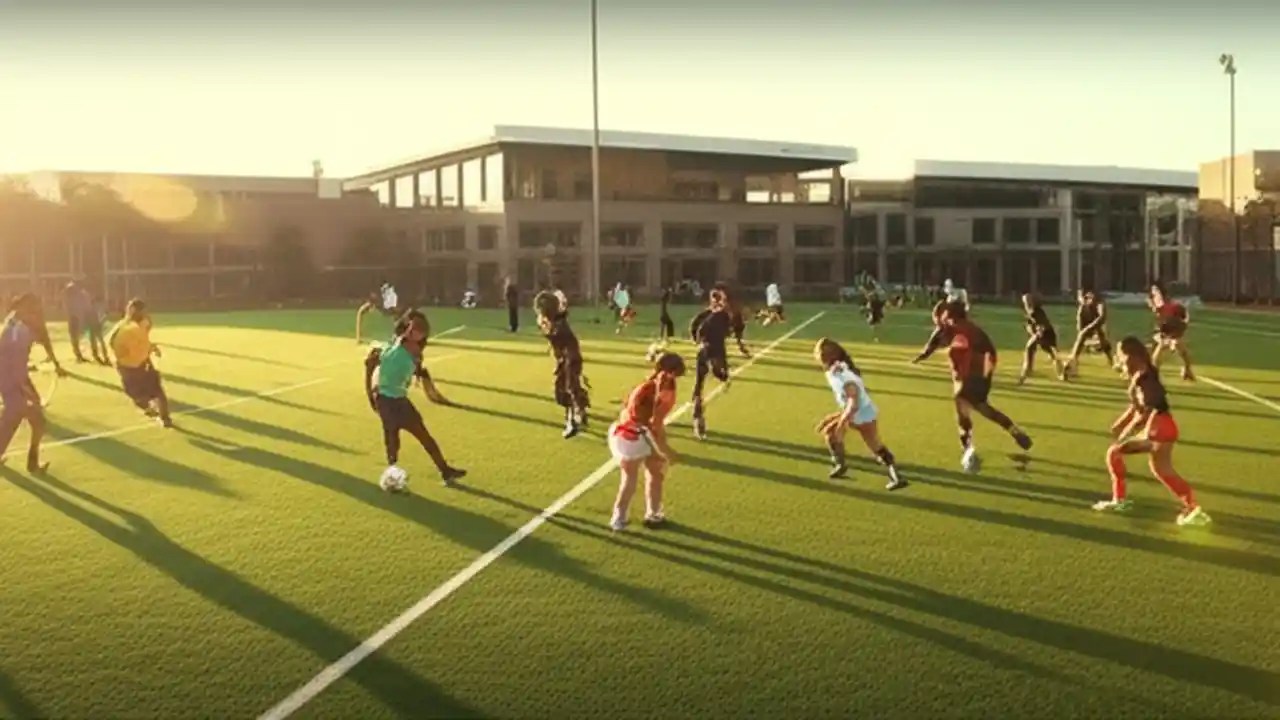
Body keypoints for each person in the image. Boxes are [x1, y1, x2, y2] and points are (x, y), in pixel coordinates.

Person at [1092, 336, 1210, 526]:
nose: (1119, 359)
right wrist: (1120, 424)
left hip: (1157, 427)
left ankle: (1119, 500)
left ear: (1131, 356)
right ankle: (1193, 508)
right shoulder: (1145, 374)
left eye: (1121, 355)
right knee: (1162, 470)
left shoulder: (1143, 377)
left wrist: (1127, 431)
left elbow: (1147, 410)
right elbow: (1137, 407)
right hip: (1166, 425)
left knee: (1114, 453)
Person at [364, 319, 466, 487]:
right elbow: (378, 359)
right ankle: (392, 471)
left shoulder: (411, 353)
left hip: (399, 401)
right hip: (385, 400)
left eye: (415, 332)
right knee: (392, 438)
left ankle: (445, 470)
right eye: (410, 330)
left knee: (422, 435)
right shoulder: (394, 347)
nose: (410, 333)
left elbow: (405, 360)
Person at [941, 301, 1033, 471]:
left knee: (961, 402)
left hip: (975, 371)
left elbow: (959, 351)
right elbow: (987, 351)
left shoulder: (961, 330)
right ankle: (1013, 430)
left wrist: (961, 372)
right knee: (980, 406)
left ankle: (968, 449)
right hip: (985, 369)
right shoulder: (971, 328)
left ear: (952, 314)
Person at [813, 338, 908, 489]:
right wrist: (835, 418)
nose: (818, 356)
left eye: (820, 353)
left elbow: (853, 402)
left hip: (863, 416)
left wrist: (842, 422)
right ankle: (840, 465)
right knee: (829, 433)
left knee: (875, 446)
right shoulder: (835, 369)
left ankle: (897, 477)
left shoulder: (841, 375)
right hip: (855, 412)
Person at [608, 351, 685, 531]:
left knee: (655, 473)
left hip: (629, 431)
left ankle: (653, 513)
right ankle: (619, 517)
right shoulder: (656, 390)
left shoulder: (653, 384)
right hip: (633, 435)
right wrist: (668, 451)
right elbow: (654, 425)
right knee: (631, 478)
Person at [0, 294, 53, 473]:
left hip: (8, 379)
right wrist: (27, 391)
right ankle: (33, 463)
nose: (37, 314)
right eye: (35, 310)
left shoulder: (13, 322)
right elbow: (15, 364)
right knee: (37, 421)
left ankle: (32, 462)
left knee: (11, 421)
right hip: (14, 381)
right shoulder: (20, 331)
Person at [108, 299, 174, 428]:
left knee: (157, 391)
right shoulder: (124, 326)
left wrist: (151, 348)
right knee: (137, 395)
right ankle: (151, 409)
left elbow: (144, 339)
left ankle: (164, 418)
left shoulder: (141, 324)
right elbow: (113, 342)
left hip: (141, 363)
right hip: (128, 366)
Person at [535, 290, 591, 439]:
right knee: (570, 388)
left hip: (570, 358)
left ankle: (572, 420)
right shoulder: (555, 321)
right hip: (565, 358)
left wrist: (566, 363)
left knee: (567, 389)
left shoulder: (559, 326)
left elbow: (563, 343)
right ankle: (581, 412)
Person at [688, 288, 733, 441]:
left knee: (700, 383)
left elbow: (695, 326)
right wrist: (700, 340)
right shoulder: (718, 315)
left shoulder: (712, 314)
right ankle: (698, 418)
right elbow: (699, 327)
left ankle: (697, 412)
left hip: (708, 350)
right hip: (712, 350)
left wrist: (697, 340)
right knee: (702, 383)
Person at [395, 308, 453, 406]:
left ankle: (432, 394)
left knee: (421, 371)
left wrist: (417, 367)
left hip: (407, 351)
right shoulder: (402, 332)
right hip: (399, 353)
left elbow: (418, 355)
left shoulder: (421, 337)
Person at [1063, 289, 1114, 378]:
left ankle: (1073, 359)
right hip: (1092, 331)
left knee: (1101, 338)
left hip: (1098, 327)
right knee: (1084, 336)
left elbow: (1102, 318)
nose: (1083, 300)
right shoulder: (1082, 310)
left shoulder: (1099, 304)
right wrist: (1088, 337)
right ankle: (1073, 360)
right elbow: (1080, 329)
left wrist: (1089, 331)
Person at [1148, 282, 1194, 381]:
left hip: (1173, 331)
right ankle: (1154, 375)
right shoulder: (1158, 307)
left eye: (1156, 292)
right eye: (1153, 293)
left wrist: (1183, 326)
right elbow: (1159, 322)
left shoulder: (1173, 307)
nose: (1154, 295)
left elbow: (1185, 315)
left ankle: (1187, 369)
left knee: (1179, 347)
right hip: (1164, 331)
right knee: (1158, 353)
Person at [1017, 292, 1064, 384]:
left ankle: (1026, 372)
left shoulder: (1035, 311)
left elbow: (1043, 324)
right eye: (1025, 301)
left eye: (1028, 300)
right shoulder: (1029, 312)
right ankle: (1062, 373)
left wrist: (1038, 333)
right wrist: (1032, 330)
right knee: (1049, 353)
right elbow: (1031, 325)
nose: (1027, 303)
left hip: (1046, 333)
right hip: (1042, 333)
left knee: (1032, 348)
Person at [64, 280, 110, 365]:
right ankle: (83, 356)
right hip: (82, 319)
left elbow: (84, 309)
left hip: (87, 319)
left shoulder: (81, 296)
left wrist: (82, 322)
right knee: (89, 339)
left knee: (95, 339)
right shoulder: (72, 297)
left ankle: (100, 356)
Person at [713, 281, 751, 358]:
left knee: (728, 333)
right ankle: (741, 348)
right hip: (734, 316)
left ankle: (719, 350)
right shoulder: (727, 295)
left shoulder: (726, 296)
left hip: (733, 316)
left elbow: (729, 306)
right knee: (737, 335)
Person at [911, 300, 951, 364]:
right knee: (931, 345)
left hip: (952, 329)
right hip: (943, 328)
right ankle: (920, 358)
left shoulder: (957, 306)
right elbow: (935, 313)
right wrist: (939, 323)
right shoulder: (943, 304)